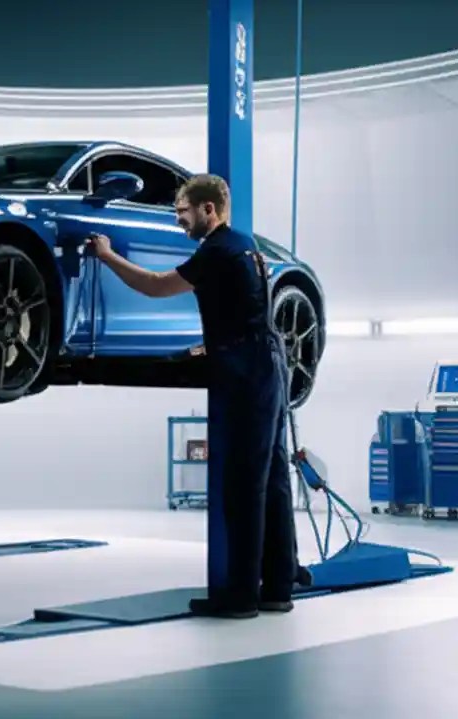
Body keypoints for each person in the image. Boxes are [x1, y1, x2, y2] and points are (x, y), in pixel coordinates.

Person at [86, 173, 299, 618]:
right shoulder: (244, 243)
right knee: (272, 480)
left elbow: (156, 285)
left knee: (243, 485)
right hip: (266, 361)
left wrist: (107, 256)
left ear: (208, 209)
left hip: (246, 370)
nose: (178, 220)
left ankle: (240, 598)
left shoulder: (216, 249)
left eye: (183, 212)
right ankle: (278, 588)